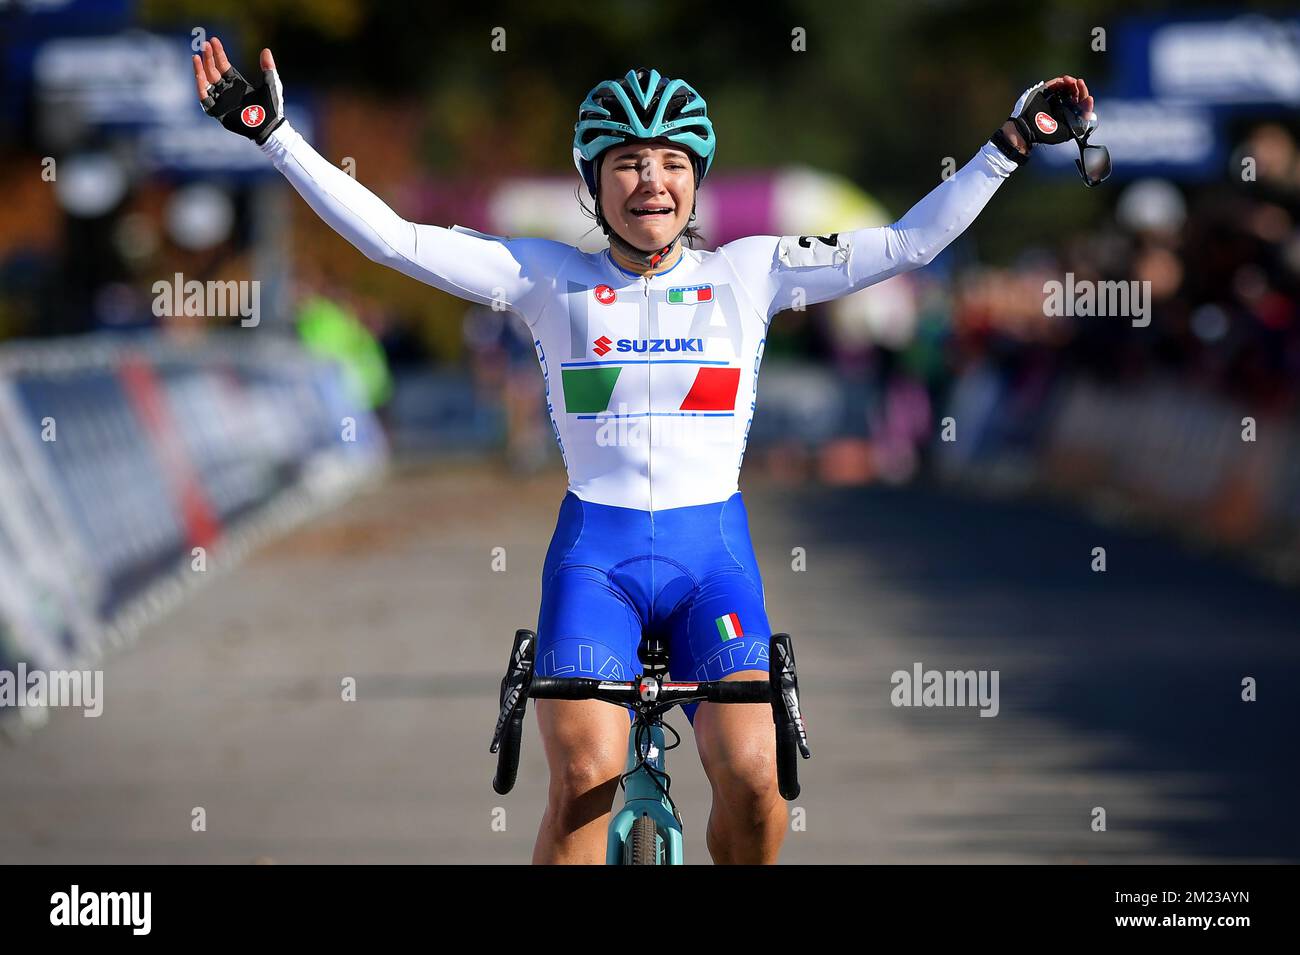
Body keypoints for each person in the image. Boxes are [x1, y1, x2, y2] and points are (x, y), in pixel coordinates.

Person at [194, 39, 1095, 864]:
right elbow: (395, 240)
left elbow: (908, 241)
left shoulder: (752, 271)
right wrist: (273, 136)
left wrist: (1011, 141)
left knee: (752, 777)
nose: (651, 181)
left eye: (671, 162)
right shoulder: (546, 277)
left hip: (715, 562)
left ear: (697, 181)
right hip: (599, 559)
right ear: (595, 182)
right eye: (627, 162)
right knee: (585, 775)